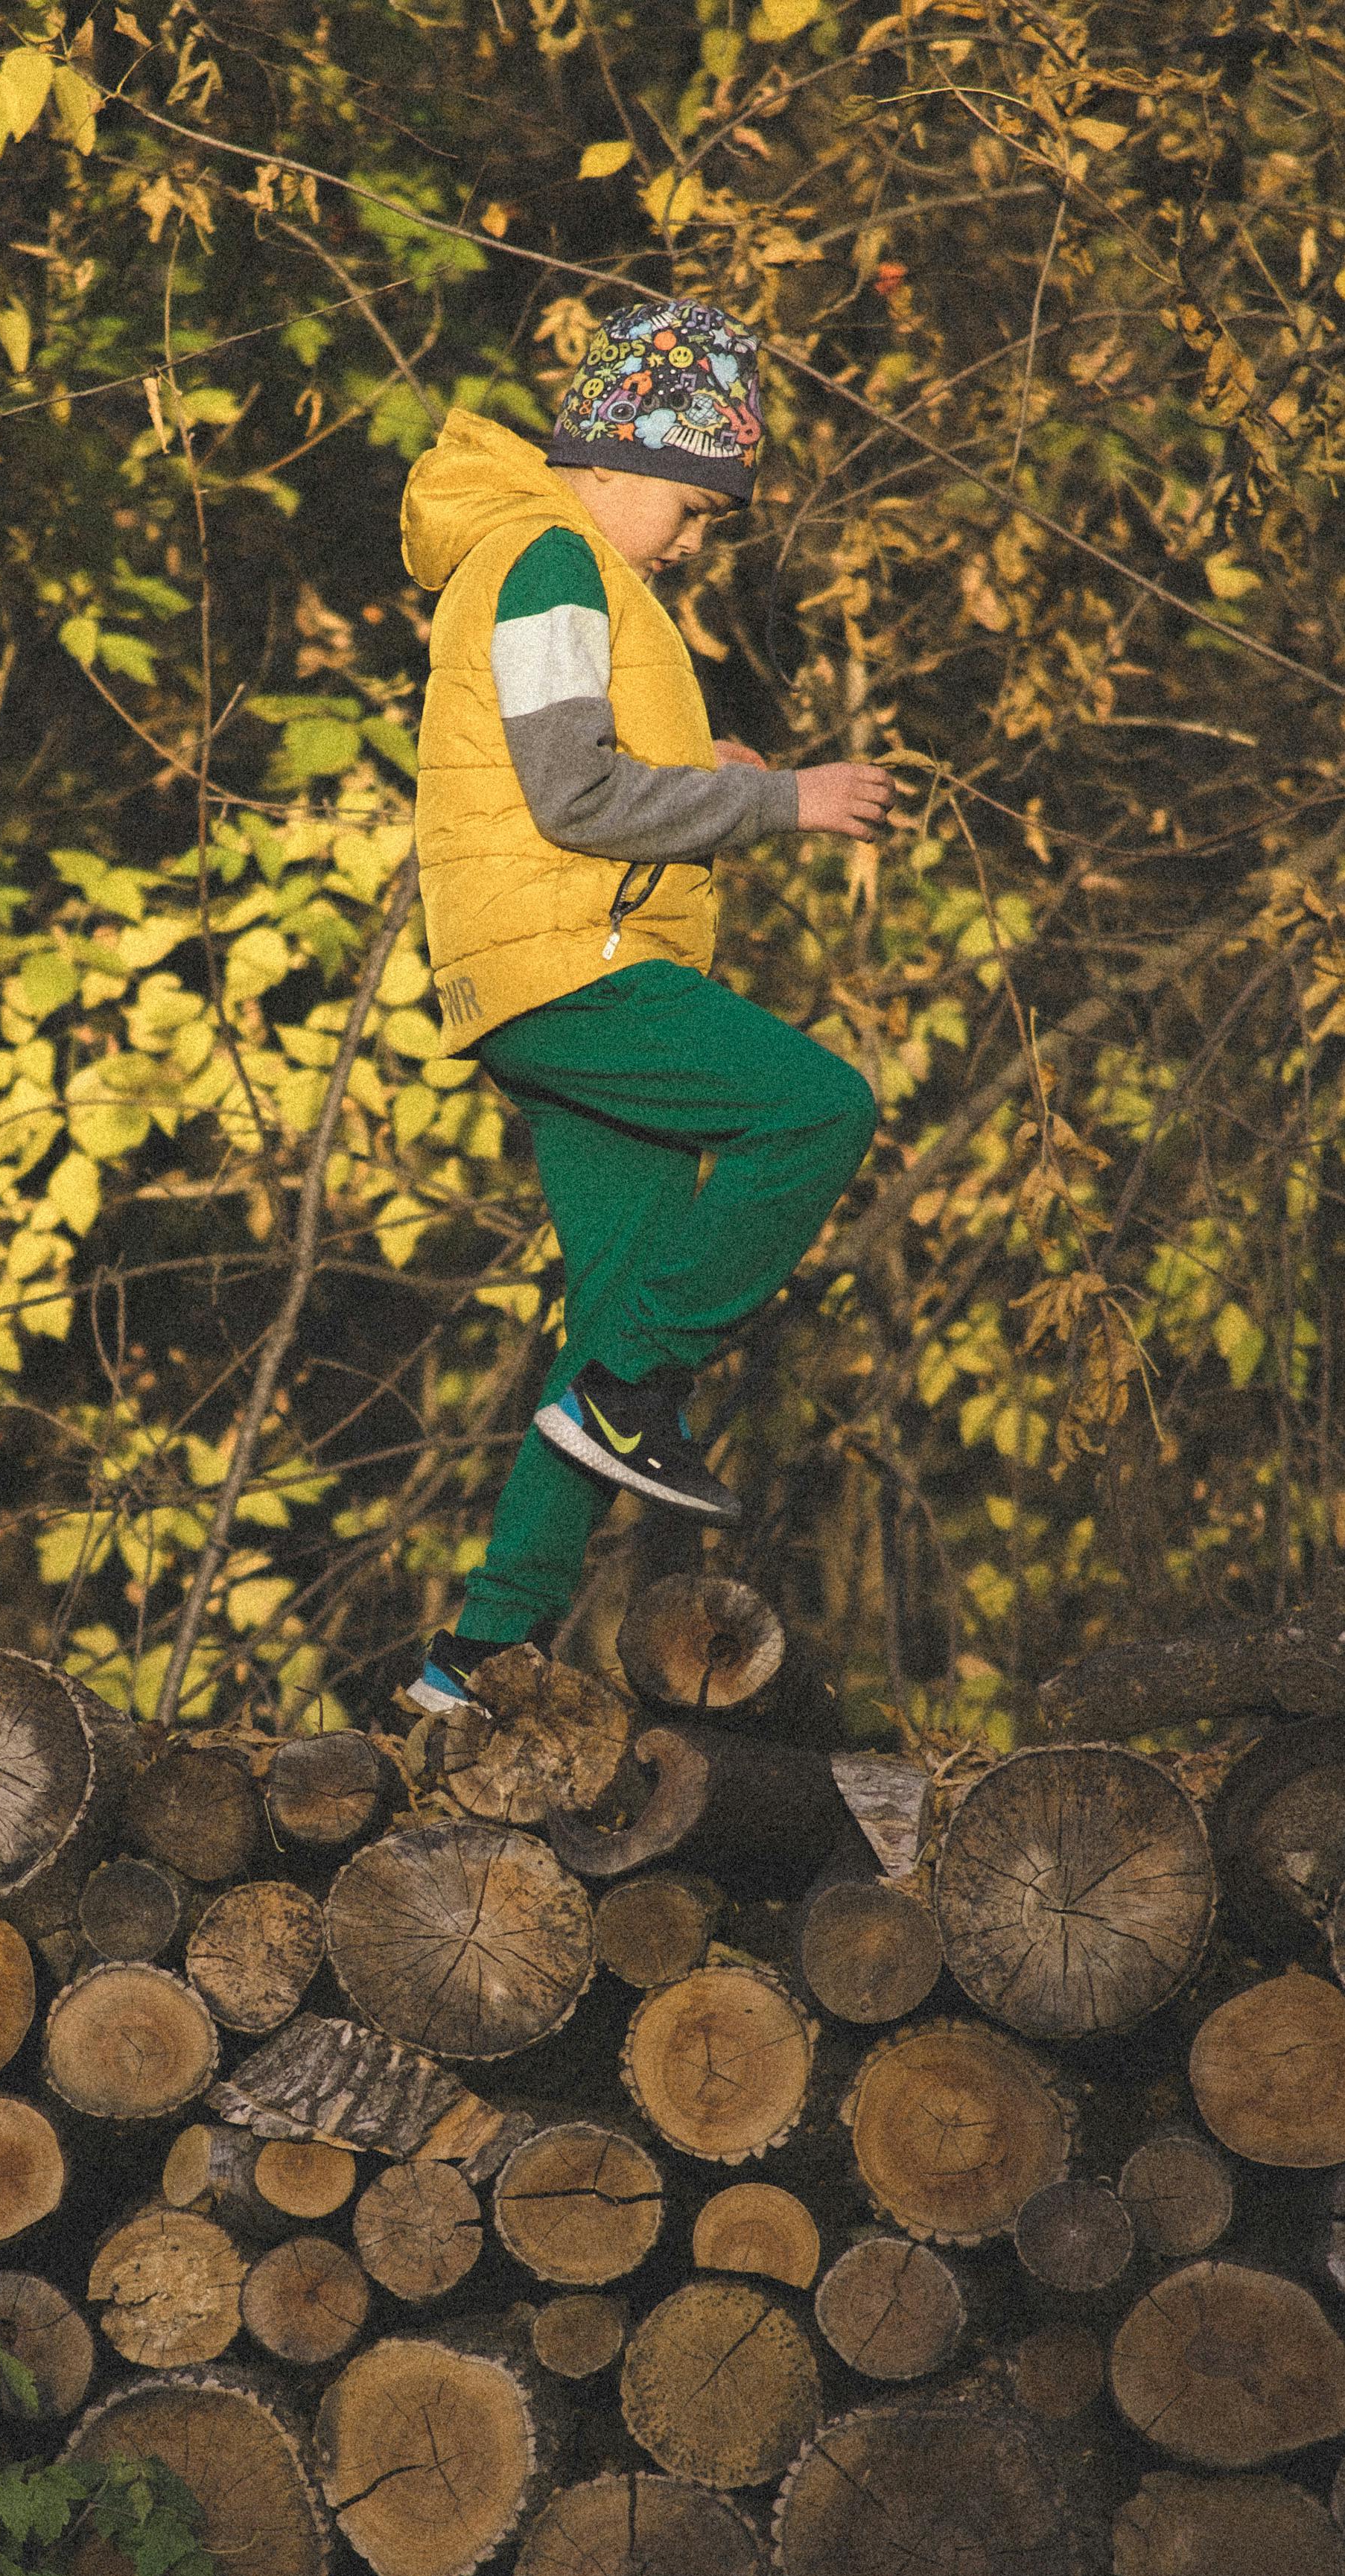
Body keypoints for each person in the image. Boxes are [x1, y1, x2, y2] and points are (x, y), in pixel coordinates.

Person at [395, 296, 896, 1715]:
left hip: (553, 966)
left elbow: (588, 766)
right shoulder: (552, 558)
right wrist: (778, 799)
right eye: (688, 507)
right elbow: (572, 792)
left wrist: (710, 765)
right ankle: (625, 1395)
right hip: (571, 964)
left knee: (614, 1319)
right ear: (612, 462)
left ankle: (478, 1656)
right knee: (818, 1107)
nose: (693, 540)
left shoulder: (572, 573)